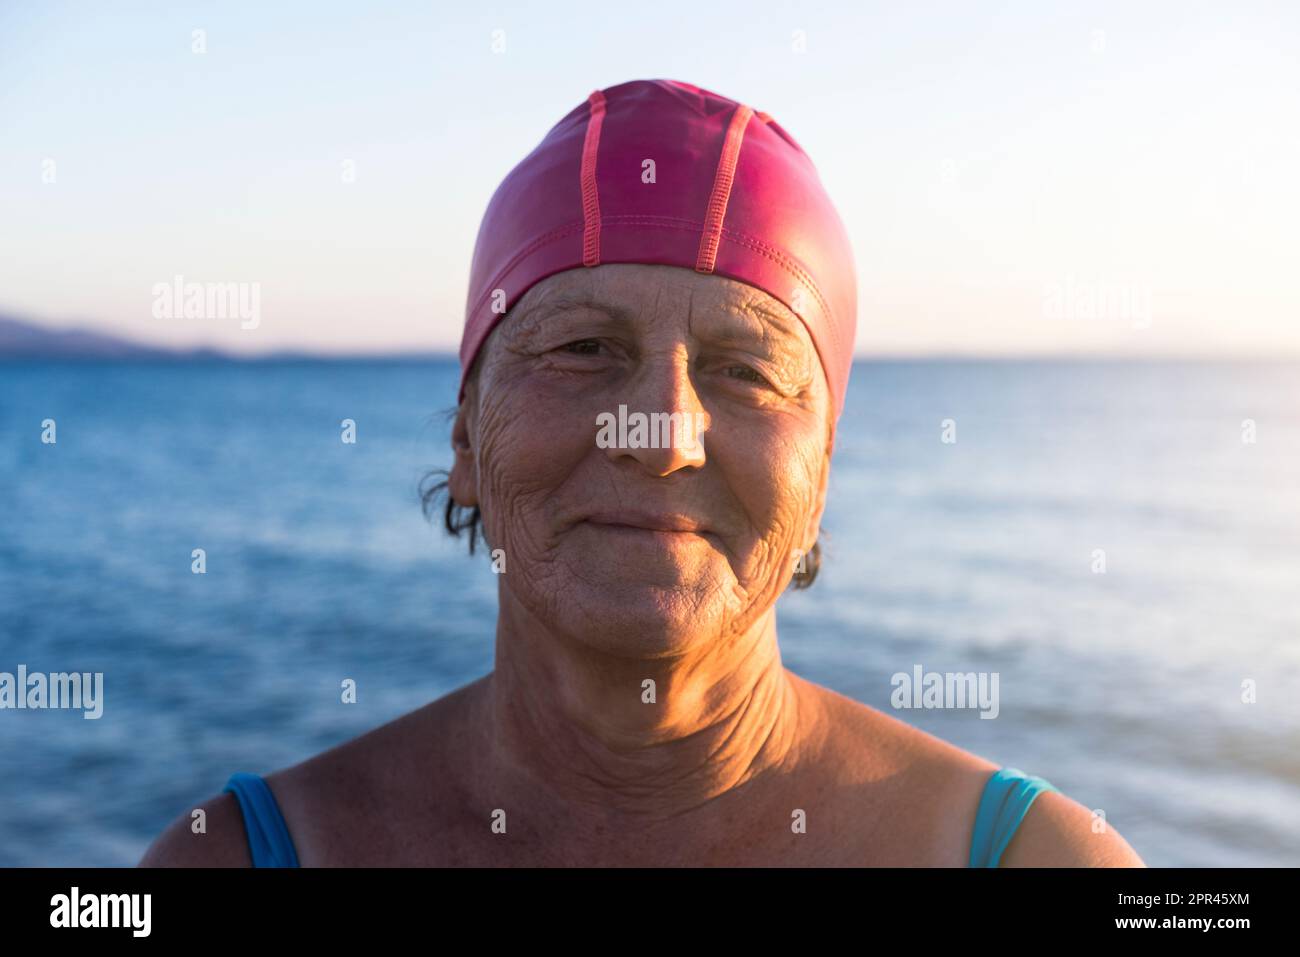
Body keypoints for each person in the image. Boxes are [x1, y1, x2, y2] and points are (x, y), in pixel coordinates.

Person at [140, 78, 1144, 867]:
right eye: (582, 349)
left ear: (819, 476)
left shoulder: (1043, 862)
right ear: (463, 444)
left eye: (745, 371)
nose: (661, 432)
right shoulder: (237, 860)